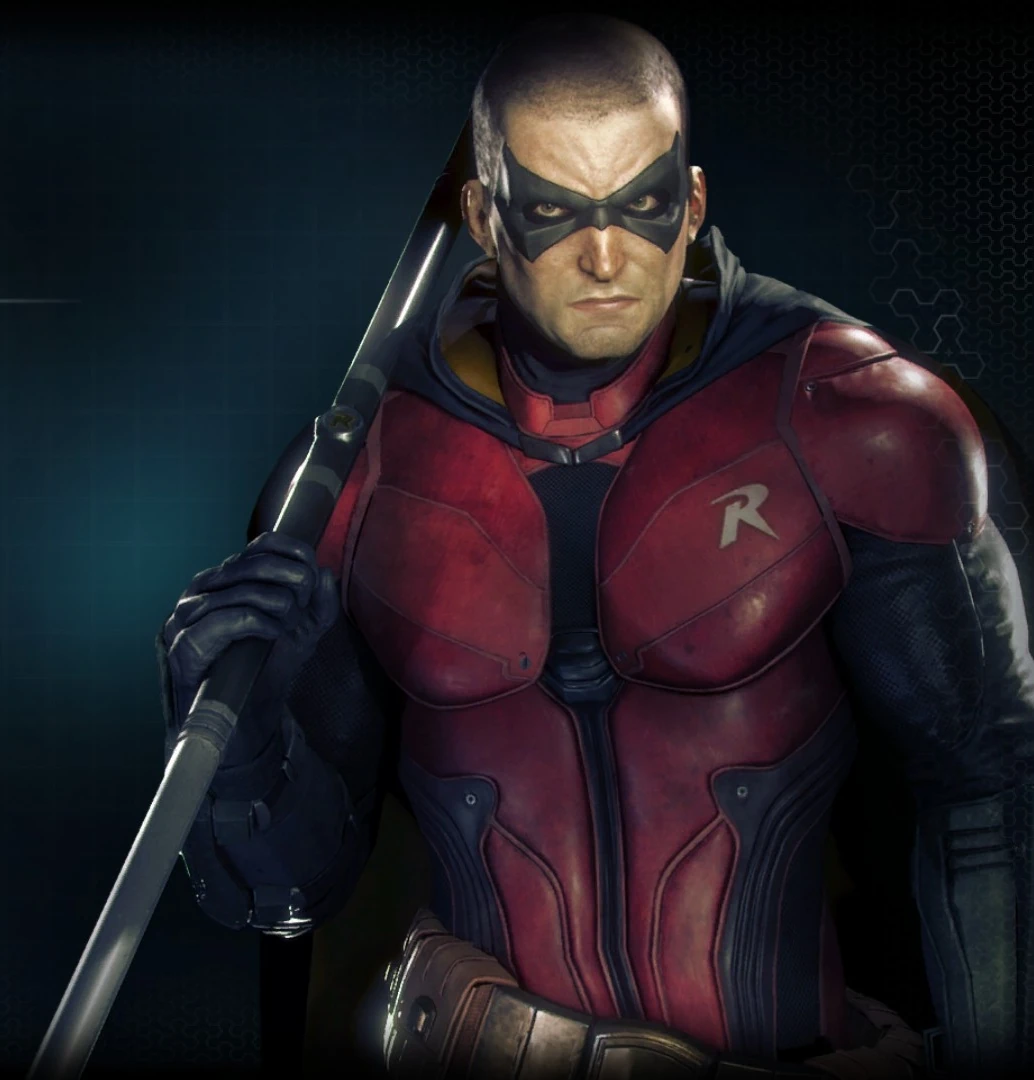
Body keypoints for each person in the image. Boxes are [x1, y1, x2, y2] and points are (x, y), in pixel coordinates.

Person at [157, 15, 1034, 1079]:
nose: (607, 257)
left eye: (642, 205)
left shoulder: (853, 417)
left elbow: (990, 798)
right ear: (483, 216)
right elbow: (286, 896)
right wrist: (240, 739)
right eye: (553, 212)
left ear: (692, 201)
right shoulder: (359, 476)